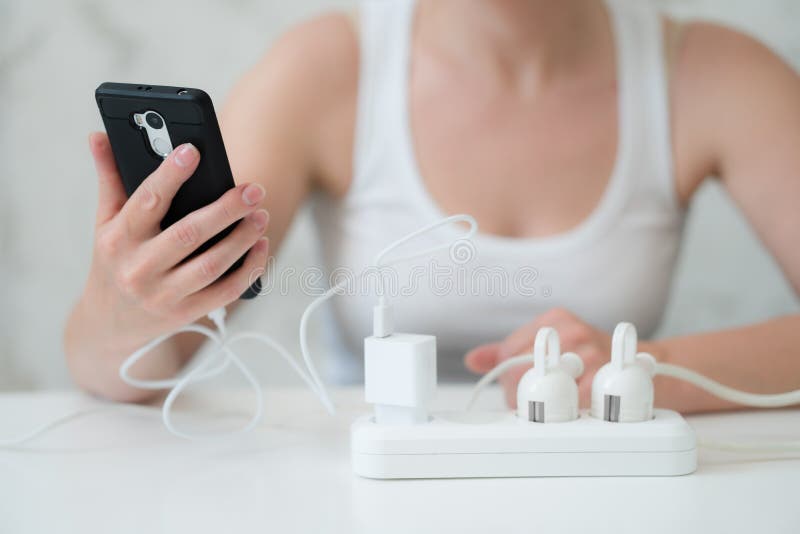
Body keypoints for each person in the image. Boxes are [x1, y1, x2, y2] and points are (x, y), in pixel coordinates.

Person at [64, 0, 800, 412]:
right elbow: (119, 373)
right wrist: (128, 301)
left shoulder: (714, 73)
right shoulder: (324, 68)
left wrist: (642, 369)